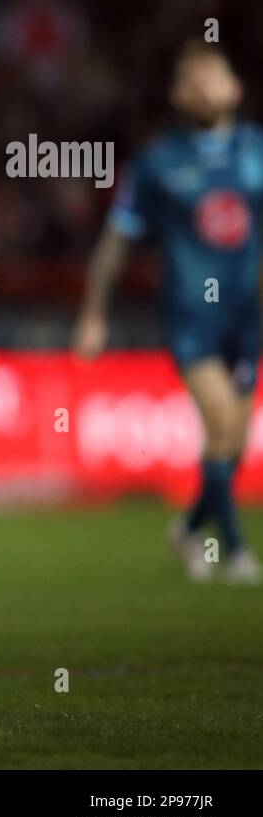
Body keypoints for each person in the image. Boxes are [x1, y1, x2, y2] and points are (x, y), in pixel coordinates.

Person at [75, 41, 262, 585]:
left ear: (236, 87)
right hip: (190, 314)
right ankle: (236, 551)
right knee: (222, 423)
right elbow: (116, 243)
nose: (207, 86)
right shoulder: (158, 163)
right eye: (194, 78)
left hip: (246, 315)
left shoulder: (255, 149)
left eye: (216, 75)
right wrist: (93, 314)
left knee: (235, 442)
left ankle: (186, 530)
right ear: (179, 95)